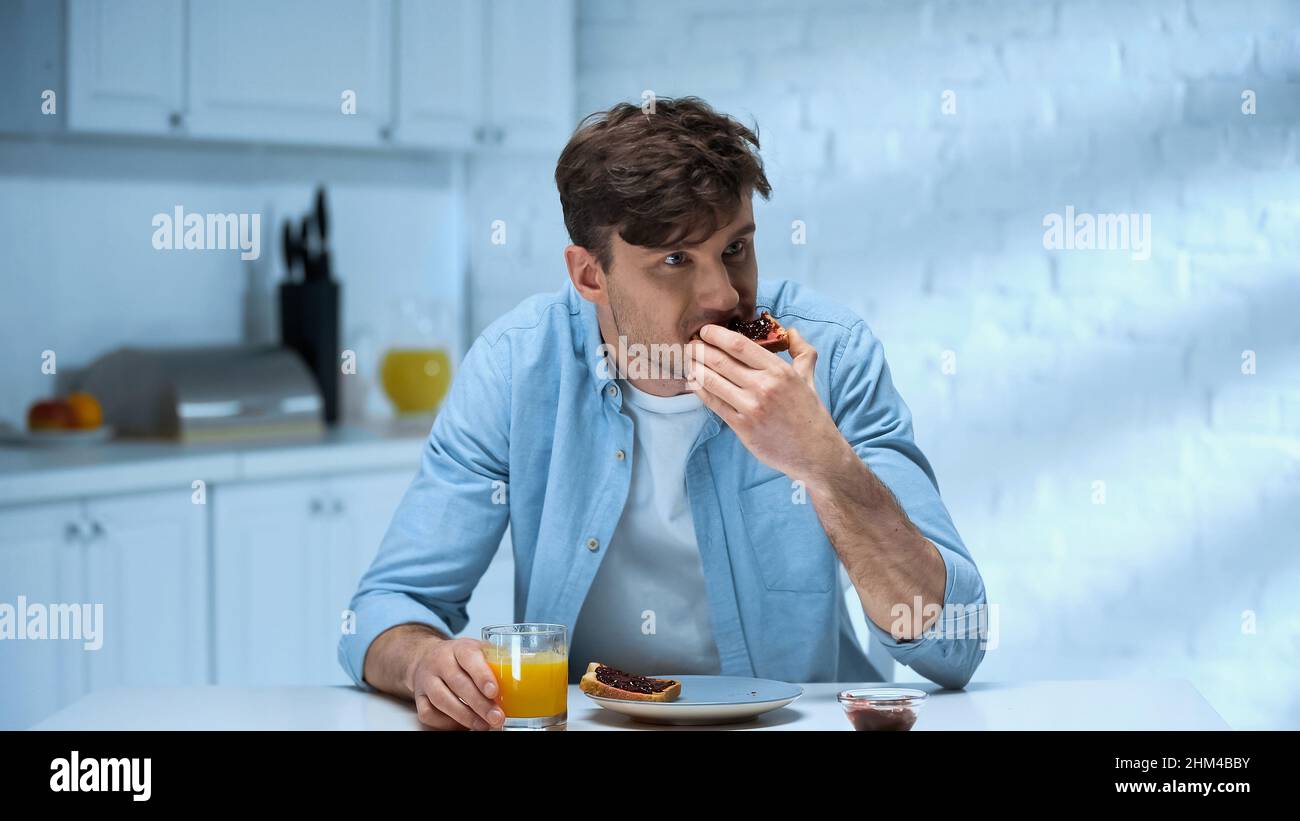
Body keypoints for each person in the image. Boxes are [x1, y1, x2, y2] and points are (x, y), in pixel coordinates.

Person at [340, 96, 988, 730]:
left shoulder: (831, 355)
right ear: (590, 275)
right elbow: (388, 607)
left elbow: (954, 643)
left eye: (735, 248)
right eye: (676, 260)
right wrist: (425, 660)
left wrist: (823, 463)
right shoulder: (515, 365)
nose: (723, 294)